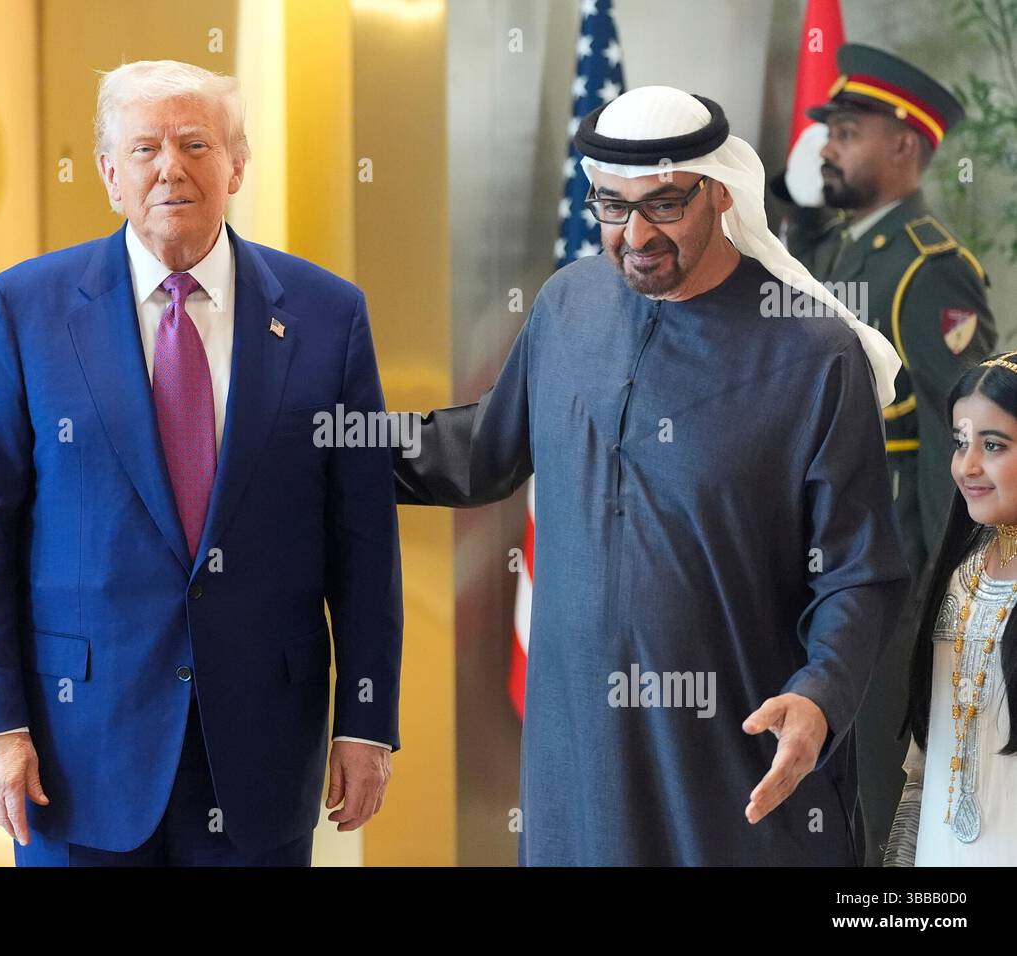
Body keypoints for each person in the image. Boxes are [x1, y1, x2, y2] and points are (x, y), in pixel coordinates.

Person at [394, 86, 911, 865]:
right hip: (582, 763)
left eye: (664, 205)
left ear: (720, 192)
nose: (635, 234)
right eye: (611, 205)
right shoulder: (567, 306)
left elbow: (861, 571)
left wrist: (819, 695)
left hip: (736, 760)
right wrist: (320, 445)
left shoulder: (810, 352)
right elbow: (483, 450)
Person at [0, 60, 402, 866]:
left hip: (261, 747)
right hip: (75, 752)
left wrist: (365, 719)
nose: (171, 167)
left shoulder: (330, 316)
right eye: (145, 146)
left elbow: (362, 539)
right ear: (109, 172)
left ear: (237, 165)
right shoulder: (22, 310)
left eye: (196, 143)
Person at [780, 43, 995, 864]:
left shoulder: (925, 270)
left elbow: (966, 446)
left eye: (848, 129)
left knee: (870, 791)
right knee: (821, 785)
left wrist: (956, 591)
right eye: (831, 128)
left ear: (905, 145)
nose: (828, 146)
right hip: (824, 562)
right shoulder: (837, 253)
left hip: (894, 574)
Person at [885, 353, 1017, 866]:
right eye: (961, 444)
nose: (967, 467)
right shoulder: (960, 570)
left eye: (993, 445)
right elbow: (923, 760)